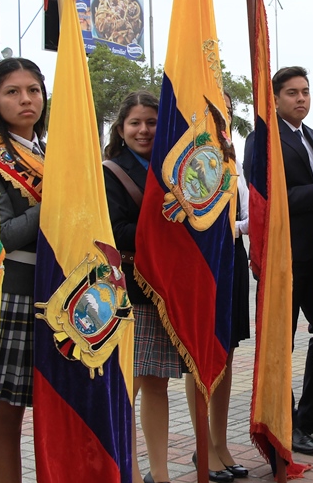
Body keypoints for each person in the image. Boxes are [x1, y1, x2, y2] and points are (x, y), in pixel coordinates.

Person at [244, 66, 313, 456]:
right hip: (286, 253)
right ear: (276, 98)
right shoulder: (262, 139)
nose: (301, 99)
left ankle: (311, 411)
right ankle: (283, 422)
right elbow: (267, 196)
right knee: (283, 339)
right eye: (292, 93)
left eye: (305, 91)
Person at [104, 92, 176, 483]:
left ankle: (160, 473)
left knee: (157, 384)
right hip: (128, 289)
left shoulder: (173, 170)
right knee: (126, 386)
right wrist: (166, 230)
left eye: (151, 122)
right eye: (135, 123)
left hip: (165, 290)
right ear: (121, 129)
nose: (144, 130)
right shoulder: (110, 171)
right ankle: (126, 471)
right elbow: (114, 232)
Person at [0, 58, 48, 483]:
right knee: (5, 414)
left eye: (33, 90)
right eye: (12, 92)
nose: (25, 100)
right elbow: (0, 235)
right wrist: (58, 200)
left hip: (56, 292)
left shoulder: (49, 152)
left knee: (48, 407)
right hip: (14, 290)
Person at [184, 91, 248, 482]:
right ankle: (202, 445)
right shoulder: (185, 151)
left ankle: (220, 441)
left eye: (225, 105)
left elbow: (237, 211)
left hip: (233, 258)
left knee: (226, 355)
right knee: (201, 355)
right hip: (200, 261)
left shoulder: (229, 150)